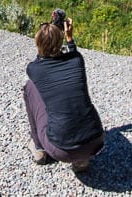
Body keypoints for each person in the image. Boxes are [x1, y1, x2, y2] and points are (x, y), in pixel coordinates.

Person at [23, 9, 104, 173]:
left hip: (62, 150)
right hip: (96, 142)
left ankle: (39, 148)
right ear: (62, 41)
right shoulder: (77, 61)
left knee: (30, 87)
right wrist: (69, 37)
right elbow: (72, 52)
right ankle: (81, 160)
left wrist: (49, 34)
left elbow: (42, 59)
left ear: (38, 44)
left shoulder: (34, 69)